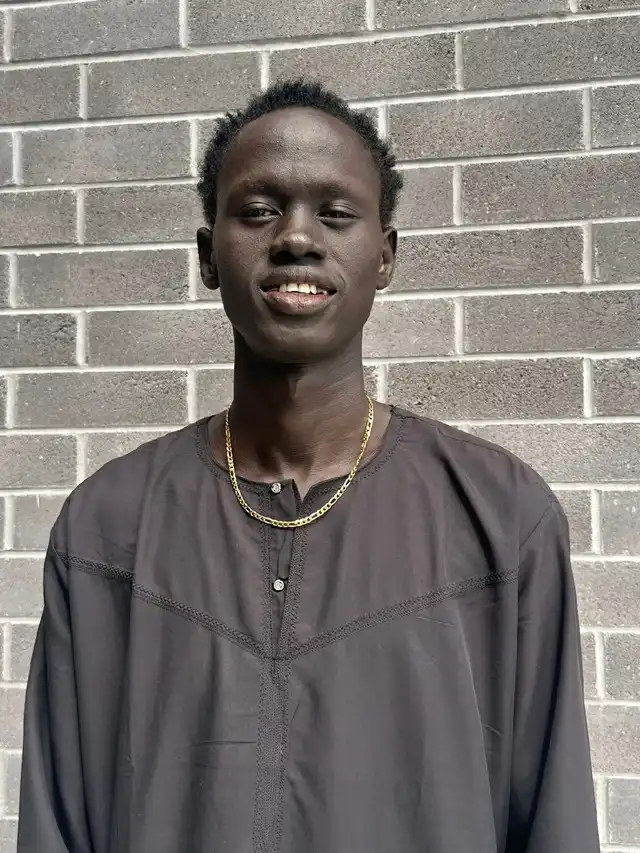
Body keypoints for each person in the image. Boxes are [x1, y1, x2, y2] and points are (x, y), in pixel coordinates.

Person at [18, 79, 599, 853]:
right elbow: (56, 823)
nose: (296, 236)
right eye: (260, 210)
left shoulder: (502, 518)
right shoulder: (107, 528)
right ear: (207, 256)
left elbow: (556, 818)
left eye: (335, 213)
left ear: (385, 254)